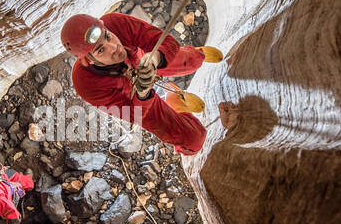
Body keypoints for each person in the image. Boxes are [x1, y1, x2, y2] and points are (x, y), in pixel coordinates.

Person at [60, 11, 221, 155]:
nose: (114, 47)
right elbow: (132, 114)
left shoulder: (114, 23)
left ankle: (199, 55)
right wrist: (143, 92)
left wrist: (155, 58)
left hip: (145, 59)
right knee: (194, 139)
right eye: (101, 50)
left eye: (108, 36)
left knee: (191, 60)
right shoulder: (86, 84)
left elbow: (166, 42)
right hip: (138, 100)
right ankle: (175, 101)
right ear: (89, 60)